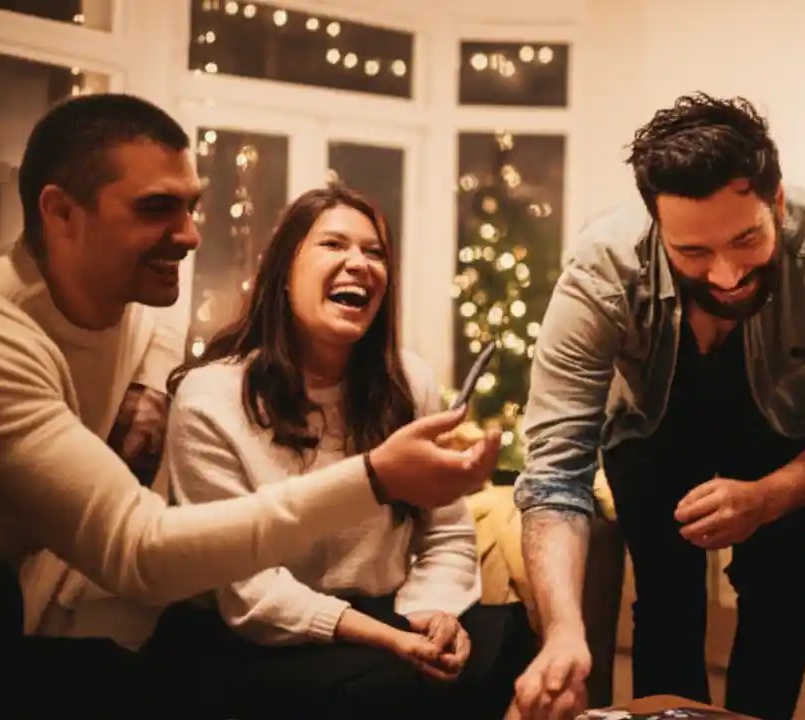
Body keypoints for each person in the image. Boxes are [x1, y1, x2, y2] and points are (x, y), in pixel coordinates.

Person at [0, 94, 500, 713]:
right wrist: (374, 477)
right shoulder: (11, 345)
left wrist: (429, 612)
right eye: (157, 208)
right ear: (60, 212)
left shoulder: (153, 310)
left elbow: (446, 534)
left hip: (127, 617)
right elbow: (139, 547)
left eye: (192, 207)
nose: (189, 234)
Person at [512, 93, 805, 720]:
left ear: (777, 202)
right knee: (666, 600)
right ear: (655, 226)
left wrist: (770, 496)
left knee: (778, 595)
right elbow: (555, 474)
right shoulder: (600, 274)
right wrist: (564, 630)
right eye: (693, 253)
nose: (726, 275)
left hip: (780, 434)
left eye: (747, 239)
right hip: (647, 433)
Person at [147, 185, 533, 718]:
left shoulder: (408, 381)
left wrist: (435, 614)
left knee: (511, 640)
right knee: (388, 690)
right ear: (284, 272)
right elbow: (247, 591)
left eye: (374, 253)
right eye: (334, 245)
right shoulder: (210, 396)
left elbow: (445, 531)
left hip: (385, 616)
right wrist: (387, 639)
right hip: (256, 635)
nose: (359, 263)